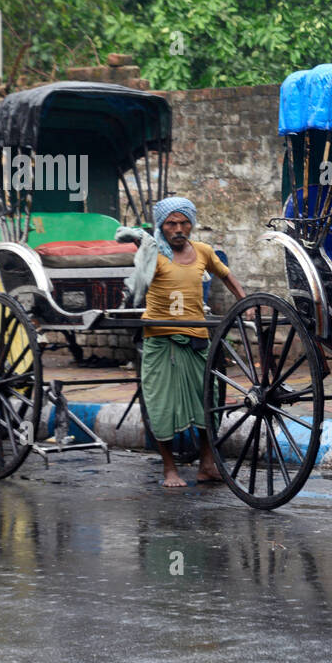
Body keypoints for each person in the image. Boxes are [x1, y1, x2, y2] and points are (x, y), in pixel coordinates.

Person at [141, 195, 248, 487]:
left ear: (192, 225)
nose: (178, 229)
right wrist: (144, 254)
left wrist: (245, 304)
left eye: (184, 223)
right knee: (161, 404)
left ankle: (207, 465)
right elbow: (139, 281)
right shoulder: (153, 253)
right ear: (161, 226)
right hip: (160, 339)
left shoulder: (203, 251)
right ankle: (169, 470)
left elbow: (227, 276)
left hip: (197, 337)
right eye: (171, 223)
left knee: (208, 402)